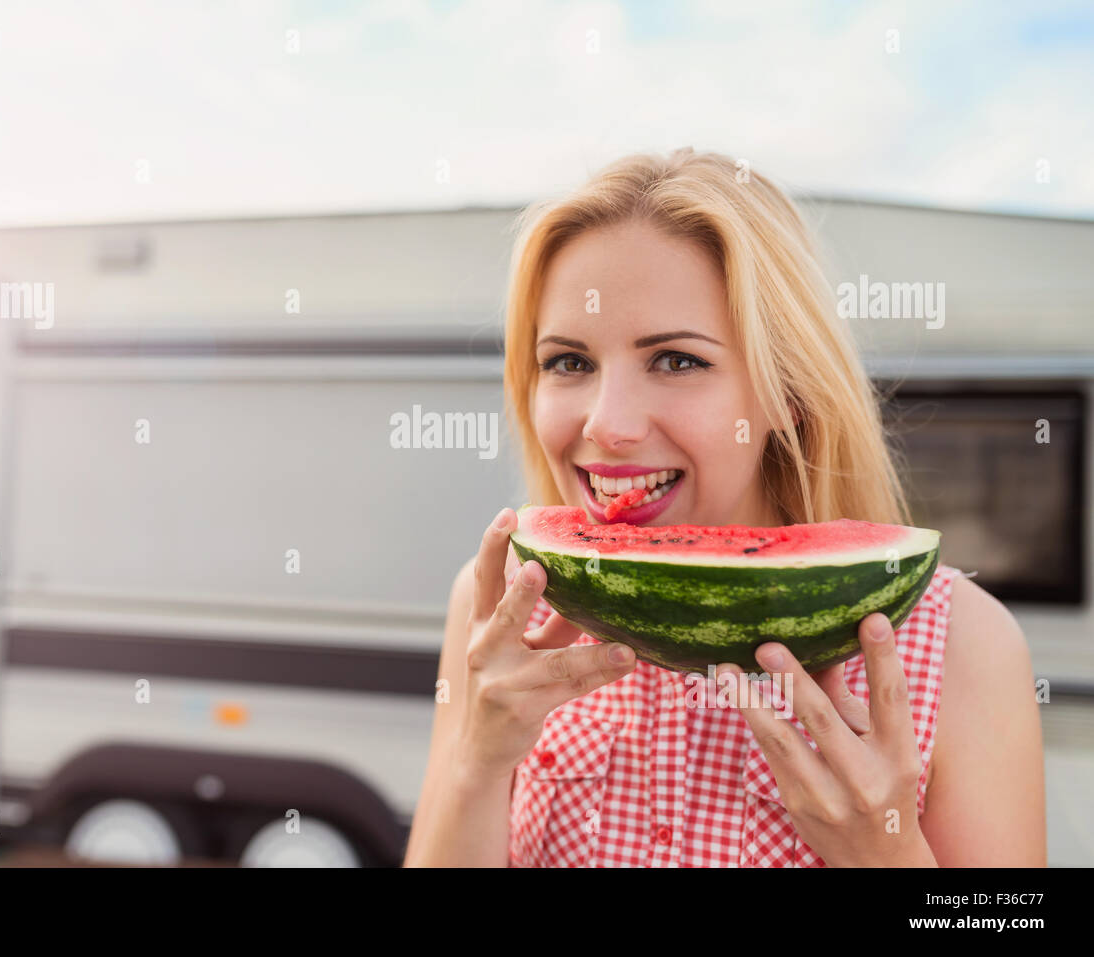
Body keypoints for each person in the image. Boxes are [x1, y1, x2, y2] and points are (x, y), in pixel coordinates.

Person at [403, 148, 1045, 867]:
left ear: (789, 394)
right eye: (569, 362)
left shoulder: (963, 645)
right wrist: (477, 766)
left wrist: (885, 853)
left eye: (677, 360)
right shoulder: (499, 610)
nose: (607, 425)